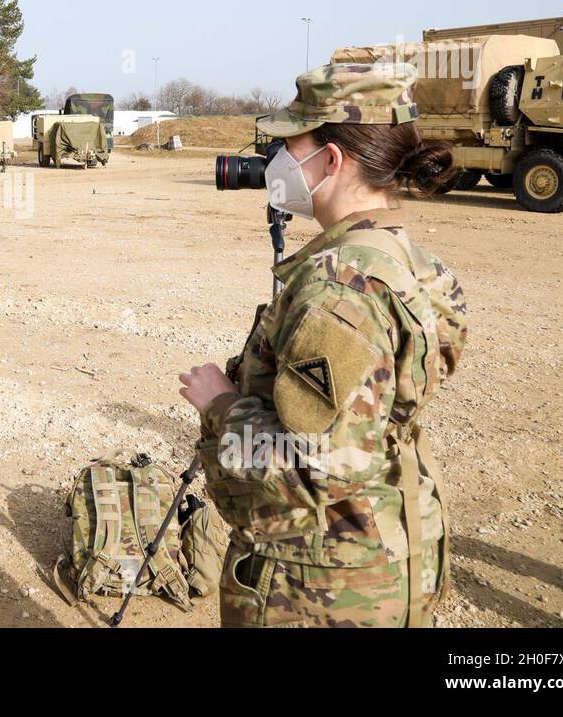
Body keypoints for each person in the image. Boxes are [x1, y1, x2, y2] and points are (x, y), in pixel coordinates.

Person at [179, 61, 467, 627]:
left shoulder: (341, 289)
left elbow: (315, 471)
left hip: (324, 586)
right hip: (390, 551)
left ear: (331, 160)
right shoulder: (411, 261)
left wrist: (220, 405)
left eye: (290, 144)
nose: (277, 160)